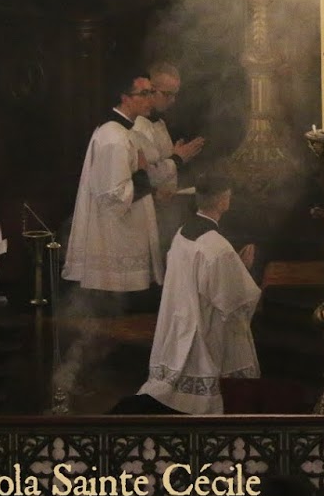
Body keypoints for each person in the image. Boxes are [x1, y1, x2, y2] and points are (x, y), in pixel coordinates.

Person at [136, 172, 260, 414]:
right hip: (203, 327)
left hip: (179, 321)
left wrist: (236, 268)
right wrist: (243, 269)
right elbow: (236, 301)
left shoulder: (182, 233)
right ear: (224, 201)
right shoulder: (218, 247)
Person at [63, 73, 164, 295]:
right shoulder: (113, 137)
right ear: (125, 98)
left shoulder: (125, 131)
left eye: (152, 92)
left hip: (125, 232)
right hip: (115, 239)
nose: (151, 99)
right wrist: (141, 174)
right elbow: (113, 197)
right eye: (144, 93)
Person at [135, 62, 205, 250]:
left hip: (165, 211)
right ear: (150, 89)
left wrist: (175, 155)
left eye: (175, 94)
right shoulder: (138, 126)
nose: (172, 101)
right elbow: (145, 176)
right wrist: (178, 158)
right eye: (167, 94)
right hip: (145, 214)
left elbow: (161, 162)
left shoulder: (158, 122)